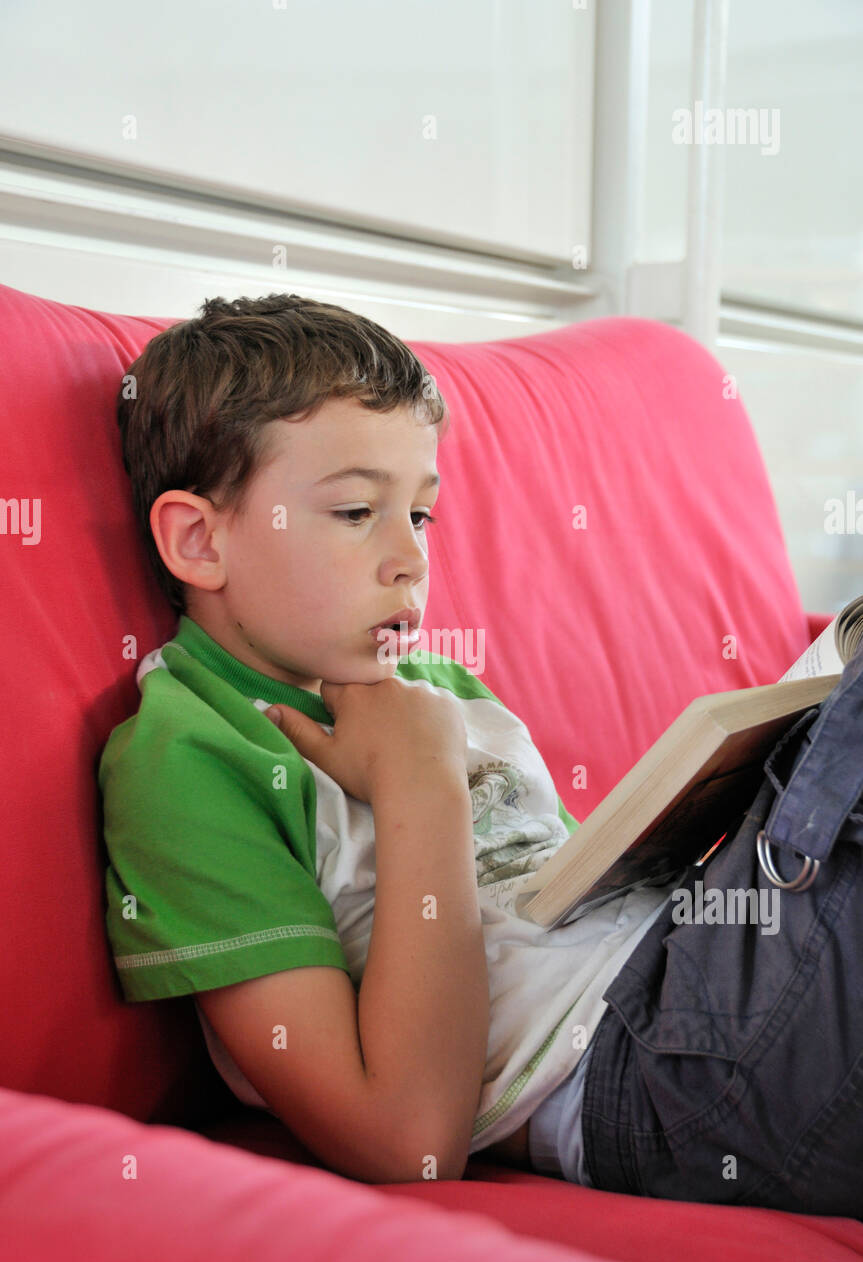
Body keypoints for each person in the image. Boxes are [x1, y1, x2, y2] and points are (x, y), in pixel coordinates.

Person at [99, 293, 863, 1213]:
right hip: (648, 1072)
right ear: (200, 538)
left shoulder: (439, 692)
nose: (409, 560)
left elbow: (566, 892)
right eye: (353, 512)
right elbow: (403, 1140)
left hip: (701, 959)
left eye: (418, 516)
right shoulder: (188, 756)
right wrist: (421, 785)